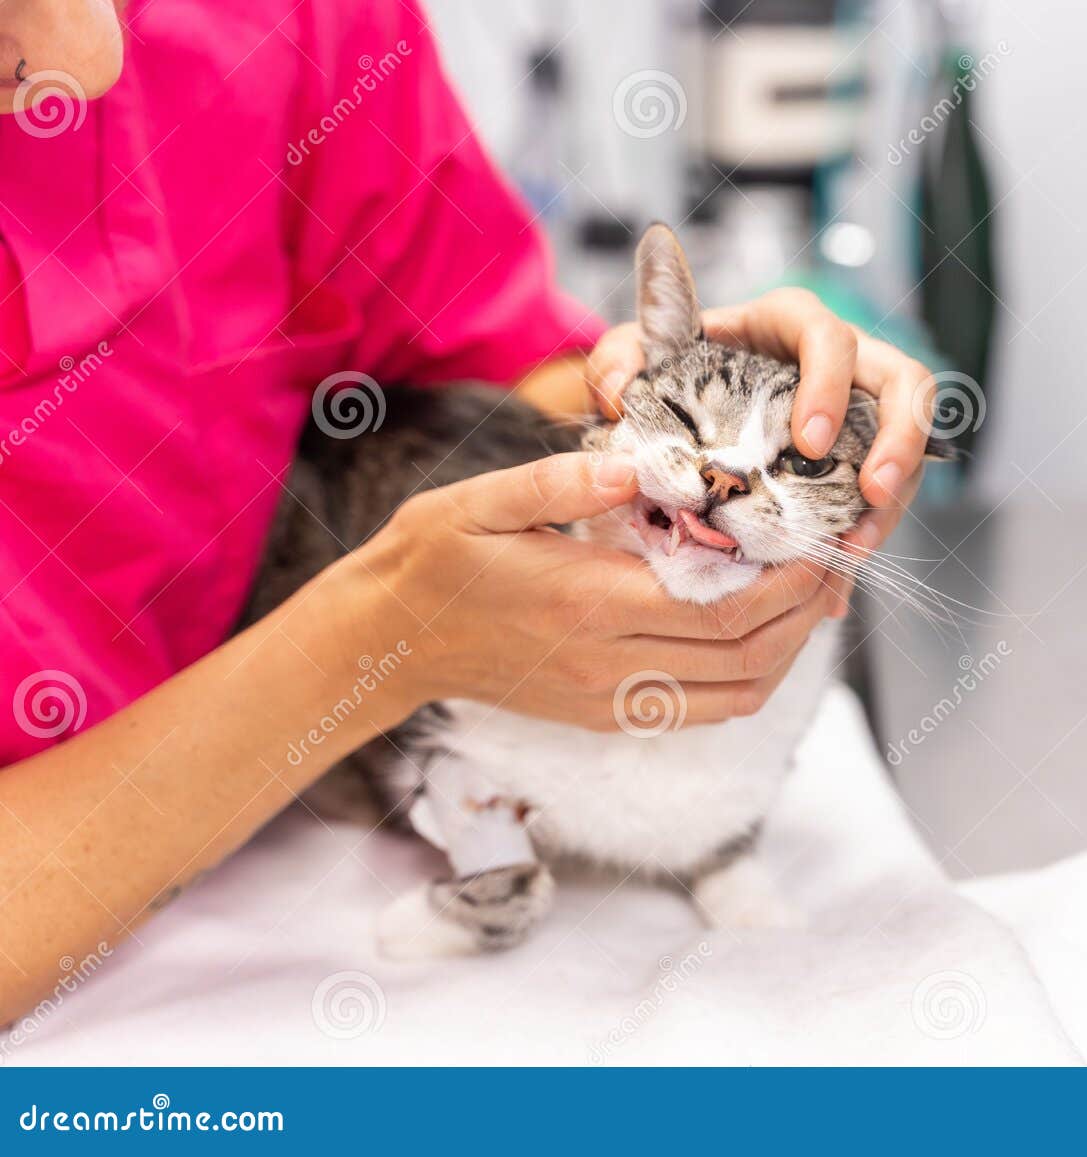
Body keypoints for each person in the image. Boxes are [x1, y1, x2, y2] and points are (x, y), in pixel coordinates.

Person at [0, 0, 934, 1023]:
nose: (89, 58)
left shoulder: (294, 24)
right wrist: (371, 645)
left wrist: (676, 392)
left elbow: (496, 367)